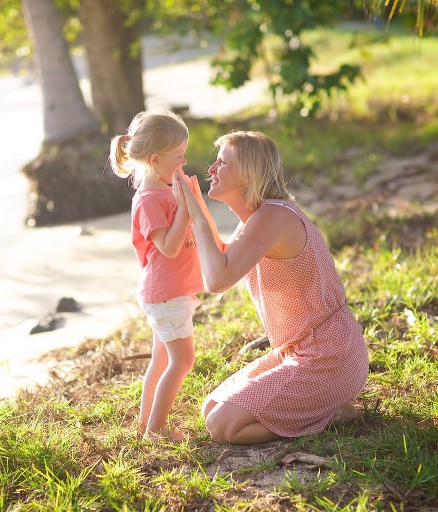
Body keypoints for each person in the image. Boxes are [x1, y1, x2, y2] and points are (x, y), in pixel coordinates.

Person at [173, 130, 369, 445]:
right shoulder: (257, 219)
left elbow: (217, 280)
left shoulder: (273, 217)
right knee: (209, 408)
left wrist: (197, 215)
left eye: (222, 163)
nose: (211, 169)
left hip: (329, 355)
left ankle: (334, 414)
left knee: (224, 426)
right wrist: (196, 209)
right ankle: (330, 405)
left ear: (249, 174)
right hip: (299, 350)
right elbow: (220, 257)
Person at [109, 110, 203, 442]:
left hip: (168, 292)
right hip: (165, 294)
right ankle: (158, 428)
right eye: (179, 156)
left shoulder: (164, 191)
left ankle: (144, 422)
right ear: (156, 159)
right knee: (183, 359)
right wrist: (184, 211)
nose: (184, 161)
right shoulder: (149, 199)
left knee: (161, 360)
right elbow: (168, 247)